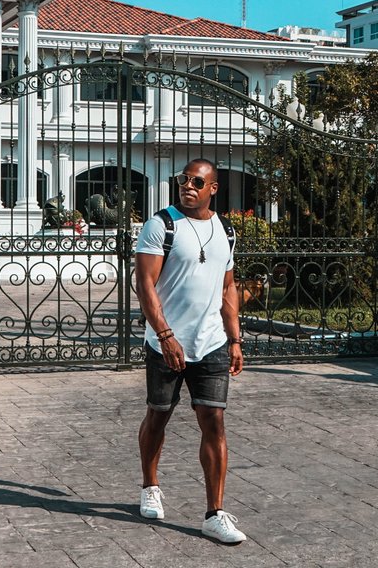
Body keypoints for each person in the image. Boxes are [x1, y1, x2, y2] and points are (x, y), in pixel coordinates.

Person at [135, 158, 246, 544]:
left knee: (214, 421)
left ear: (213, 188)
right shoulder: (161, 224)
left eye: (197, 182)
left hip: (211, 343)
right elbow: (144, 285)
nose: (188, 186)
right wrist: (165, 335)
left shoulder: (225, 230)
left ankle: (215, 513)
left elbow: (228, 287)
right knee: (158, 416)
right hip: (164, 343)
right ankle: (150, 485)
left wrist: (234, 338)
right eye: (184, 179)